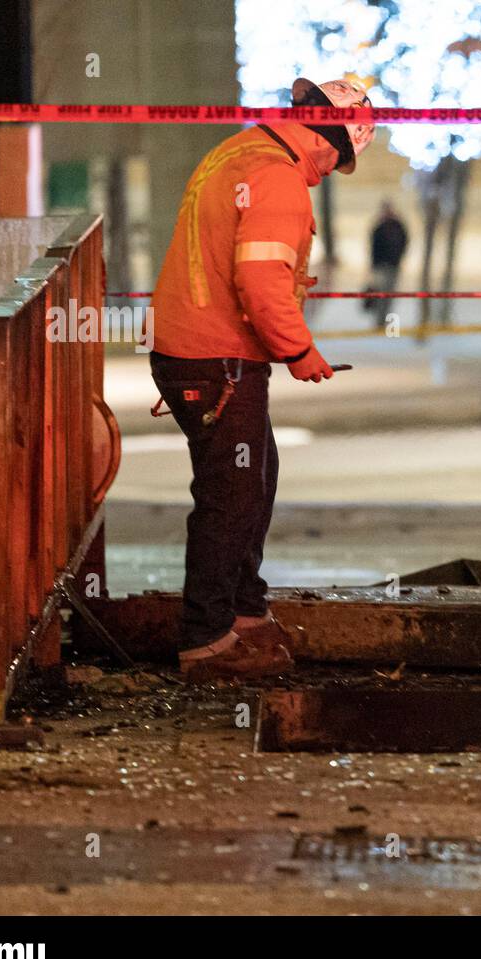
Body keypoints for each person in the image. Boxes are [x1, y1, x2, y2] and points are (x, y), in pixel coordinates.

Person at [147, 77, 374, 682]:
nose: (328, 169)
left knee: (254, 478)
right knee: (232, 493)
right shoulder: (277, 176)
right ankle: (207, 641)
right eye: (338, 157)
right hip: (215, 358)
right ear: (332, 138)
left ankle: (244, 613)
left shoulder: (240, 150)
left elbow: (242, 260)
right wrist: (299, 348)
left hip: (197, 350)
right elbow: (258, 279)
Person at [366, 201, 408, 327]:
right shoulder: (379, 227)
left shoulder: (398, 226)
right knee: (380, 294)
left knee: (389, 294)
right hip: (380, 267)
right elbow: (373, 248)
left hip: (393, 266)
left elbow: (404, 242)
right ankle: (379, 321)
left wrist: (399, 259)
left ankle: (386, 320)